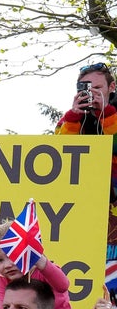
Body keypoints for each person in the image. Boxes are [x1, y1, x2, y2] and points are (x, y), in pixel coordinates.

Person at [55, 61, 117, 279]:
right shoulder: (71, 118)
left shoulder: (114, 114)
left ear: (112, 87)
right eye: (85, 89)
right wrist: (73, 117)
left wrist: (107, 113)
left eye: (97, 88)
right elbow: (59, 154)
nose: (92, 93)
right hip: (83, 207)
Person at [0, 220, 80, 309]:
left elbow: (63, 285)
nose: (7, 265)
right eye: (0, 260)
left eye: (13, 256)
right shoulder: (2, 279)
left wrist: (39, 260)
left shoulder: (44, 270)